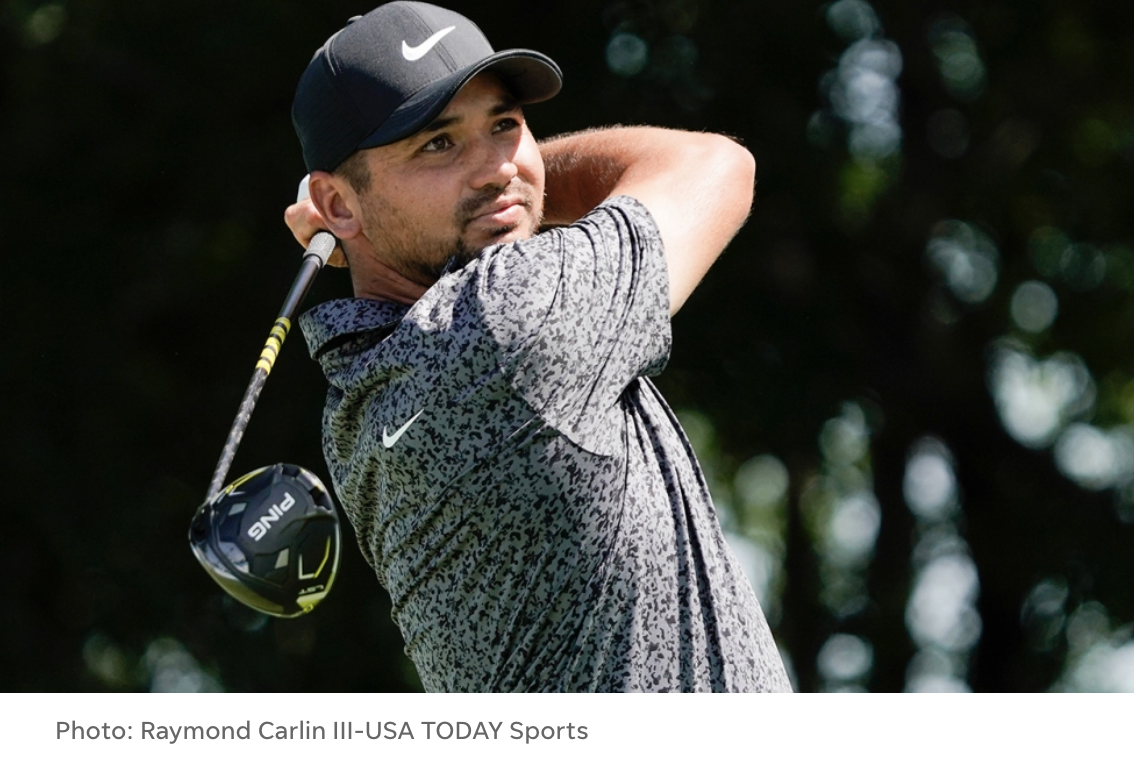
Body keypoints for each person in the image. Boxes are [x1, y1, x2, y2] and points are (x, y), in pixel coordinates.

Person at [286, 1, 791, 692]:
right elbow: (712, 164)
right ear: (335, 204)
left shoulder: (356, 401)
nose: (497, 169)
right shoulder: (506, 320)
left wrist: (362, 225)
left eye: (505, 126)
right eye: (437, 143)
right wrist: (524, 184)